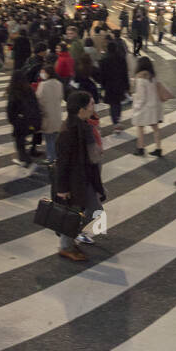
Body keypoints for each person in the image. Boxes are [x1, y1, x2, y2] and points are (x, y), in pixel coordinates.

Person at [48, 89, 106, 262]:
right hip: (75, 181)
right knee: (84, 211)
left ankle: (69, 240)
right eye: (90, 103)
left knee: (89, 210)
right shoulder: (69, 131)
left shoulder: (84, 125)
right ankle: (66, 245)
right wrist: (62, 188)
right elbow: (63, 162)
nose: (93, 106)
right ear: (81, 109)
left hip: (84, 177)